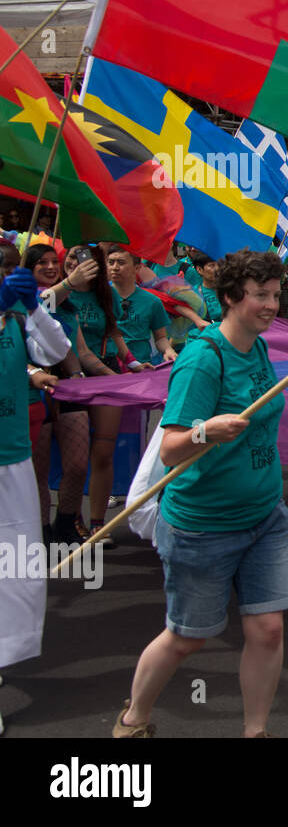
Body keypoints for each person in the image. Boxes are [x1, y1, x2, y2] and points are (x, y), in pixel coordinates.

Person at [114, 250, 288, 739]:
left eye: (275, 295)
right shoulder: (202, 359)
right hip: (203, 525)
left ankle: (255, 732)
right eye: (261, 295)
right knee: (188, 638)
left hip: (265, 516)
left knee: (268, 628)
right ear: (232, 297)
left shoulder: (257, 344)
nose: (271, 305)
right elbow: (172, 449)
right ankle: (134, 719)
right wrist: (206, 432)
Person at [1, 260, 72, 673]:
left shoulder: (14, 316)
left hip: (11, 458)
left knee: (14, 568)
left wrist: (32, 307)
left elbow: (57, 351)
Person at [48, 244, 130, 545]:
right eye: (70, 257)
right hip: (64, 378)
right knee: (68, 459)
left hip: (99, 373)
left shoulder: (104, 296)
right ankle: (69, 521)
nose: (76, 263)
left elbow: (112, 333)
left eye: (84, 259)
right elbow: (40, 309)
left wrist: (129, 365)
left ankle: (96, 524)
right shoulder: (55, 295)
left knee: (103, 452)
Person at [106, 245, 178, 367]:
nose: (115, 267)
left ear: (137, 267)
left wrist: (168, 350)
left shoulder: (152, 301)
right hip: (108, 368)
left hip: (142, 367)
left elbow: (160, 338)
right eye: (111, 262)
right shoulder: (99, 296)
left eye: (121, 263)